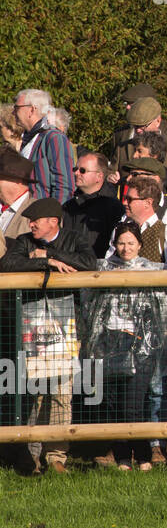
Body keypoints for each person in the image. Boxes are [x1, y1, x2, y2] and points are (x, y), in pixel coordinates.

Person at [0, 198, 96, 474]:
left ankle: (57, 456)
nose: (31, 224)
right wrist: (45, 262)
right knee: (34, 392)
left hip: (66, 325)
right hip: (31, 326)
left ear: (53, 221)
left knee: (61, 392)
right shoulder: (22, 241)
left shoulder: (74, 239)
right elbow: (7, 265)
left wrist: (52, 257)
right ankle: (32, 454)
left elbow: (89, 263)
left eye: (36, 220)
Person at [82, 220, 167, 470]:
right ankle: (122, 457)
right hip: (110, 340)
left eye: (130, 243)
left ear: (139, 244)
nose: (126, 248)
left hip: (142, 342)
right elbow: (88, 302)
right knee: (115, 402)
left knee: (135, 401)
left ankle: (142, 455)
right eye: (121, 243)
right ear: (114, 245)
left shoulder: (153, 270)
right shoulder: (103, 269)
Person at [14, 89, 77, 203]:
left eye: (16, 108)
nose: (13, 113)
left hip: (42, 215)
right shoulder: (26, 139)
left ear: (31, 110)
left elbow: (64, 186)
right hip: (23, 212)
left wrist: (54, 217)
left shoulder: (54, 138)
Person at [62, 152, 124, 259]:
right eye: (75, 169)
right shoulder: (68, 207)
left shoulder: (113, 207)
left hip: (100, 271)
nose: (76, 173)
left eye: (82, 171)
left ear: (99, 176)